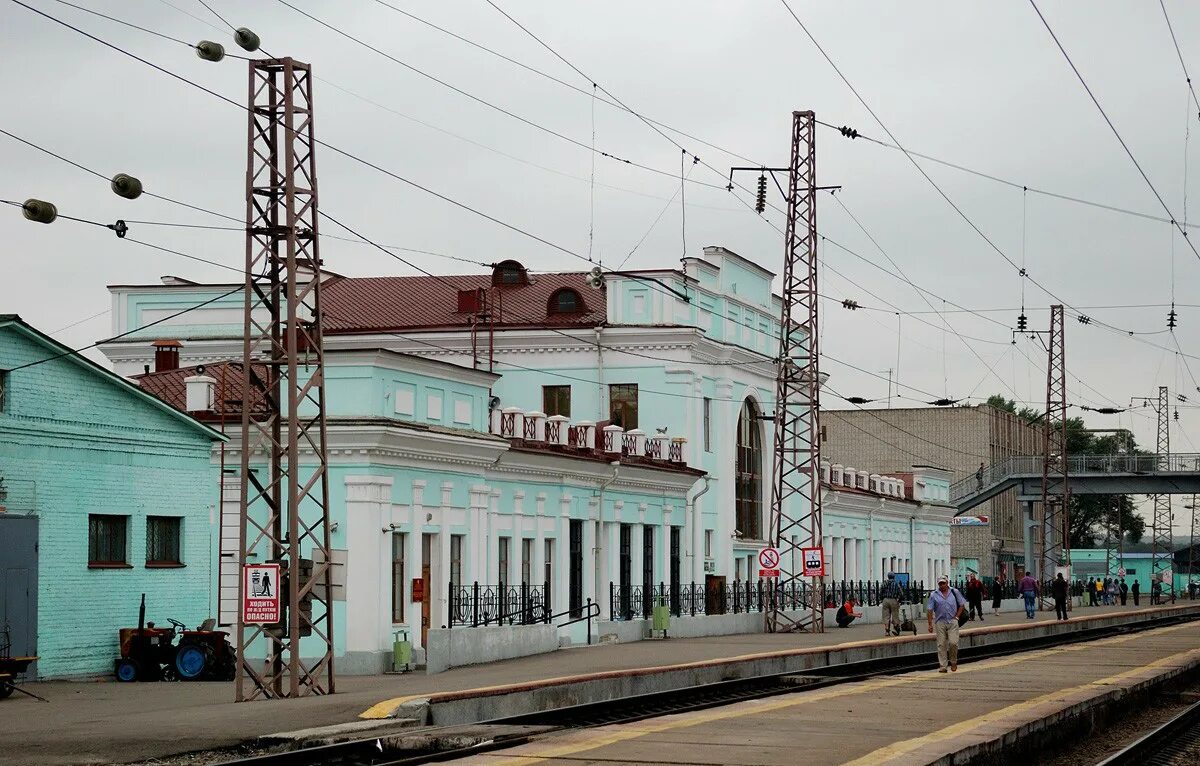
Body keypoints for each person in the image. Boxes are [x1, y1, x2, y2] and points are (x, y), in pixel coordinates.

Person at [927, 575, 967, 673]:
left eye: (943, 583)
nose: (942, 585)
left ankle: (953, 661)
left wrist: (957, 617)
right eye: (940, 583)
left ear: (947, 583)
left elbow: (961, 605)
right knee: (941, 644)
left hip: (952, 621)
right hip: (940, 622)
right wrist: (930, 624)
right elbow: (929, 610)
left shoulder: (954, 592)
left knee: (953, 643)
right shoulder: (934, 595)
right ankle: (943, 666)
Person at [880, 572, 903, 637]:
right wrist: (900, 600)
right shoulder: (896, 584)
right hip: (893, 600)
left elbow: (880, 591)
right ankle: (895, 629)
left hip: (885, 600)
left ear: (888, 577)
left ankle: (887, 631)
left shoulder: (884, 583)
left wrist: (881, 599)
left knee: (886, 616)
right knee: (895, 615)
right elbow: (901, 593)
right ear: (894, 577)